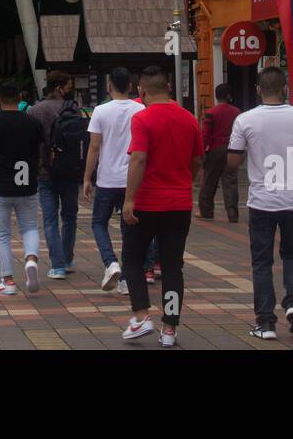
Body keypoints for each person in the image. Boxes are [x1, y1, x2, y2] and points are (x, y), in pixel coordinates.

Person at [228, 66, 293, 340]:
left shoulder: (245, 120)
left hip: (262, 201)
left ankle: (266, 322)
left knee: (261, 262)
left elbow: (233, 161)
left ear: (258, 90)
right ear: (285, 89)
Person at [121, 66, 203, 348]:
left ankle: (142, 316)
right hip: (179, 203)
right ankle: (169, 329)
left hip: (146, 202)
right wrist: (183, 182)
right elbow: (196, 161)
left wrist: (129, 199)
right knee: (172, 267)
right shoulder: (190, 119)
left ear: (141, 92)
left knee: (132, 259)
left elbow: (139, 159)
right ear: (168, 88)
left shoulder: (142, 118)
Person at [0, 80, 46, 295]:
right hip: (28, 185)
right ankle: (31, 258)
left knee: (1, 234)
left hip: (0, 186)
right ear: (20, 98)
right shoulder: (33, 123)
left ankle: (8, 281)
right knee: (30, 227)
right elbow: (43, 153)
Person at [82, 67, 144, 295]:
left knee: (99, 223)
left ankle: (110, 263)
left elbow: (94, 147)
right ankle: (127, 279)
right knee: (129, 228)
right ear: (130, 85)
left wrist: (87, 177)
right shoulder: (140, 109)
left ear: (109, 86)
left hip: (107, 179)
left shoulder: (100, 111)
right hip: (132, 180)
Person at [28, 72, 84, 278]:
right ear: (59, 88)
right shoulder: (72, 109)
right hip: (70, 171)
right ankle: (68, 259)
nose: (70, 90)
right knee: (69, 216)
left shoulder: (34, 111)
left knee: (50, 220)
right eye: (68, 86)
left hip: (44, 171)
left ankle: (58, 265)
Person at [198, 84, 241, 222]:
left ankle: (206, 211)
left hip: (215, 150)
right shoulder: (237, 112)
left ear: (216, 96)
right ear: (229, 96)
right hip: (232, 149)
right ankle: (232, 213)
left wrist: (201, 151)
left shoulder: (211, 112)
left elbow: (205, 135)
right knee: (230, 182)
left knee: (209, 180)